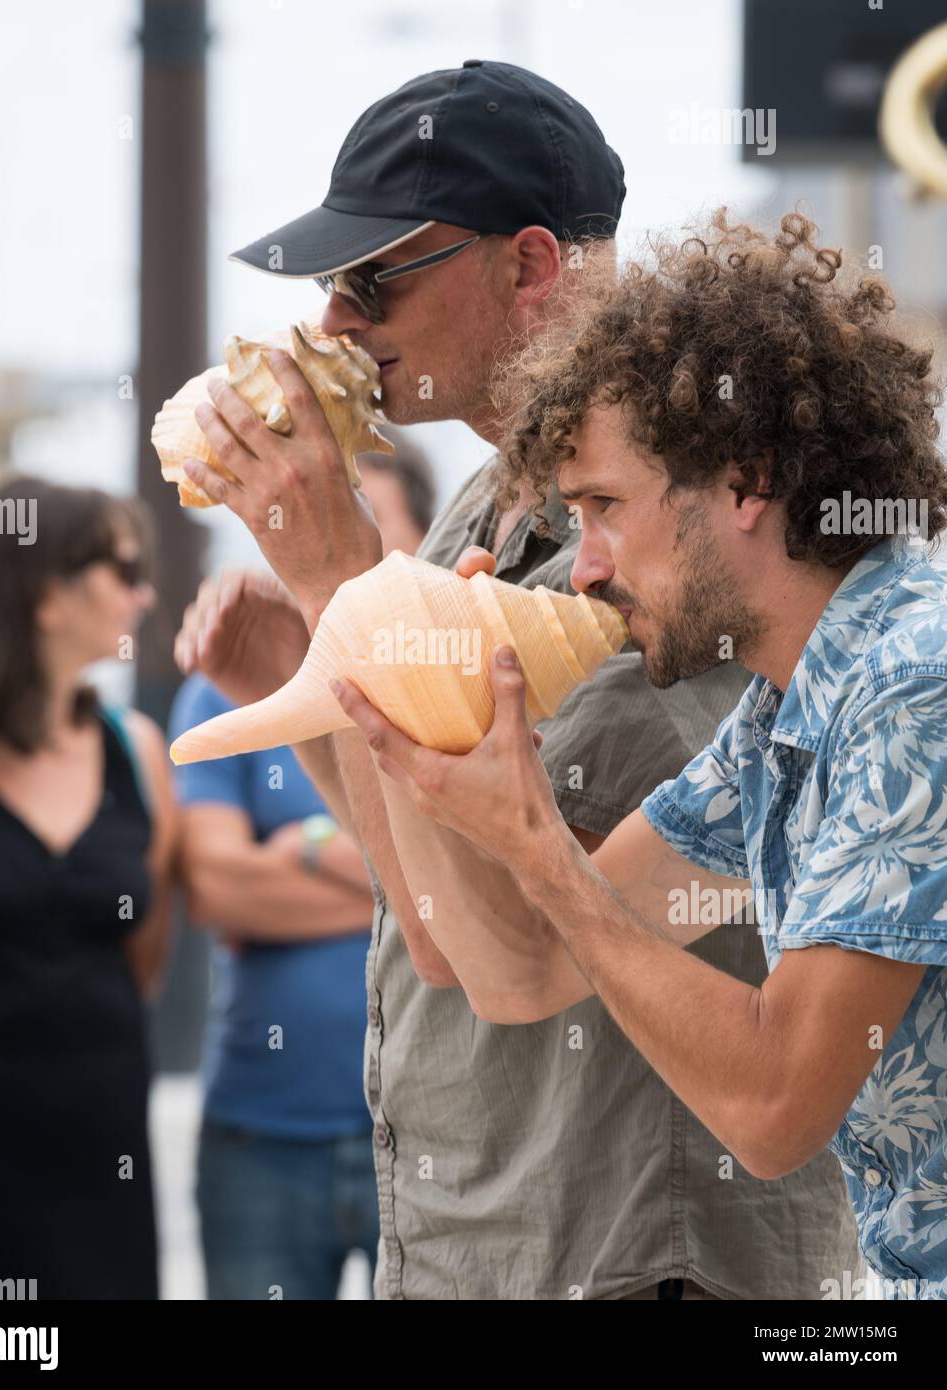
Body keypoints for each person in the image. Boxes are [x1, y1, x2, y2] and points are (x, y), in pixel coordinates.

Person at [173, 62, 861, 1299]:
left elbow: (497, 938)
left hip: (631, 1248)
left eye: (370, 279)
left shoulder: (682, 527)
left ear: (530, 265)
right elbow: (430, 875)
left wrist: (344, 586)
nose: (334, 323)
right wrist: (321, 686)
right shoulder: (487, 507)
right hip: (481, 1237)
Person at [334, 210, 947, 1299]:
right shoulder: (771, 721)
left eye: (604, 508)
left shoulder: (913, 679)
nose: (582, 567)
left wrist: (543, 850)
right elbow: (523, 970)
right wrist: (431, 719)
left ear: (747, 480)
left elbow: (769, 1109)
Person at [171, 442, 434, 1300]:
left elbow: (478, 895)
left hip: (429, 1131)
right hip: (263, 1129)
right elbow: (216, 884)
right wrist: (405, 892)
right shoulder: (226, 682)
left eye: (360, 530)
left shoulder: (452, 688)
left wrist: (308, 851)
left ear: (427, 541)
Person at [0, 474, 178, 1300]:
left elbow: (145, 959)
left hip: (100, 1167)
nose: (146, 594)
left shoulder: (135, 749)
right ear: (46, 591)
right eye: (124, 570)